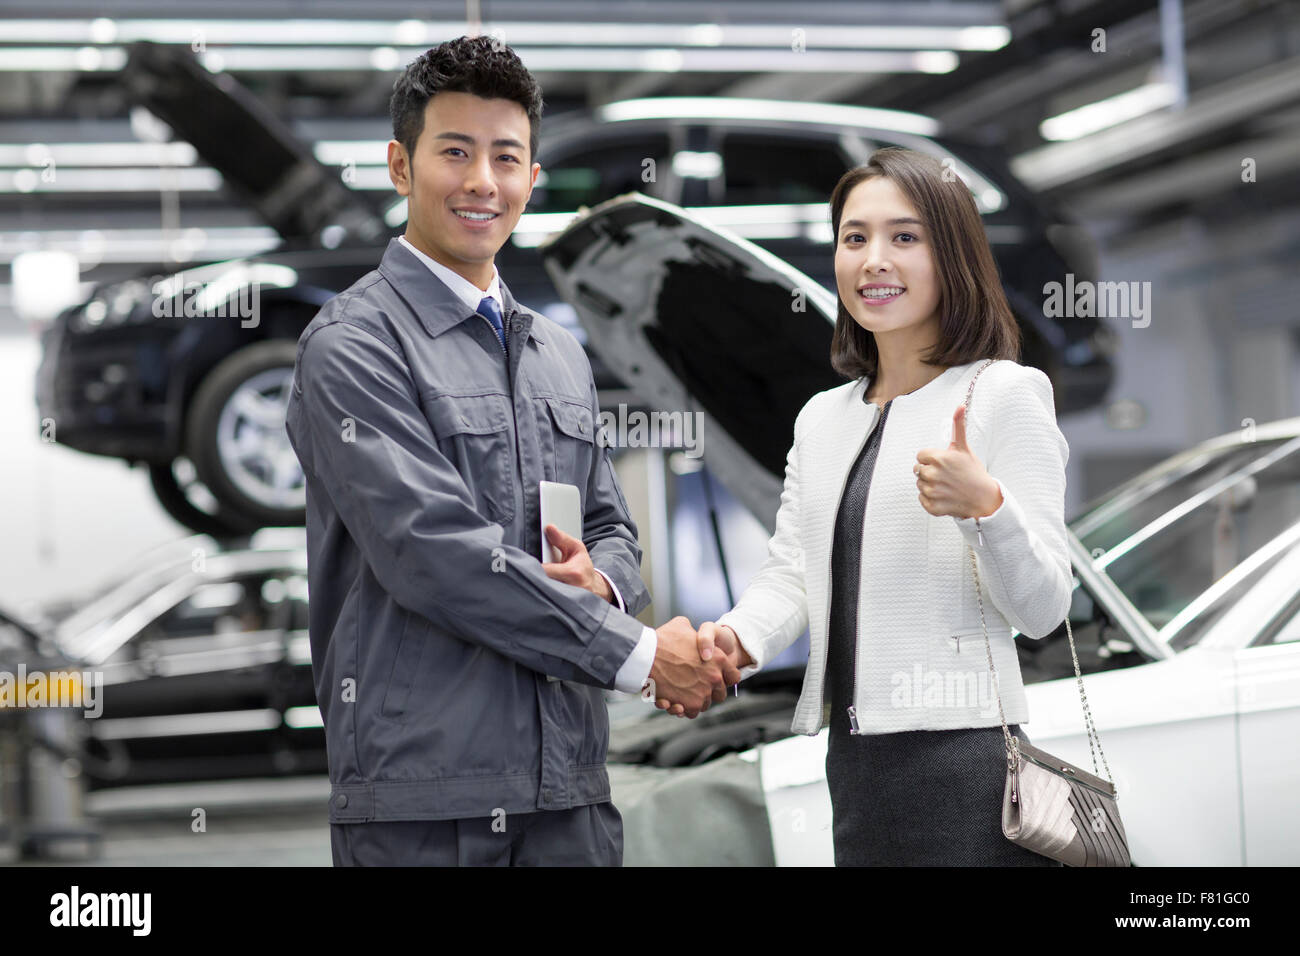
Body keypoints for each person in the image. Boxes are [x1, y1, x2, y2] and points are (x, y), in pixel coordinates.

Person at [284, 35, 736, 867]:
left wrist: (600, 581)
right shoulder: (353, 347)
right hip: (425, 803)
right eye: (455, 152)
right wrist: (638, 656)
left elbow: (613, 527)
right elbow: (434, 553)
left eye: (506, 157)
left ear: (532, 177)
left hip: (569, 788)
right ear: (399, 165)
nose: (482, 181)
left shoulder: (557, 353)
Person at [674, 148, 1073, 866]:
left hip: (966, 762)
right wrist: (739, 637)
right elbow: (792, 571)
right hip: (855, 766)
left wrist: (986, 508)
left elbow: (1045, 608)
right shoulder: (822, 418)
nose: (874, 260)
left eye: (905, 237)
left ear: (951, 256)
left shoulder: (1004, 395)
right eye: (855, 238)